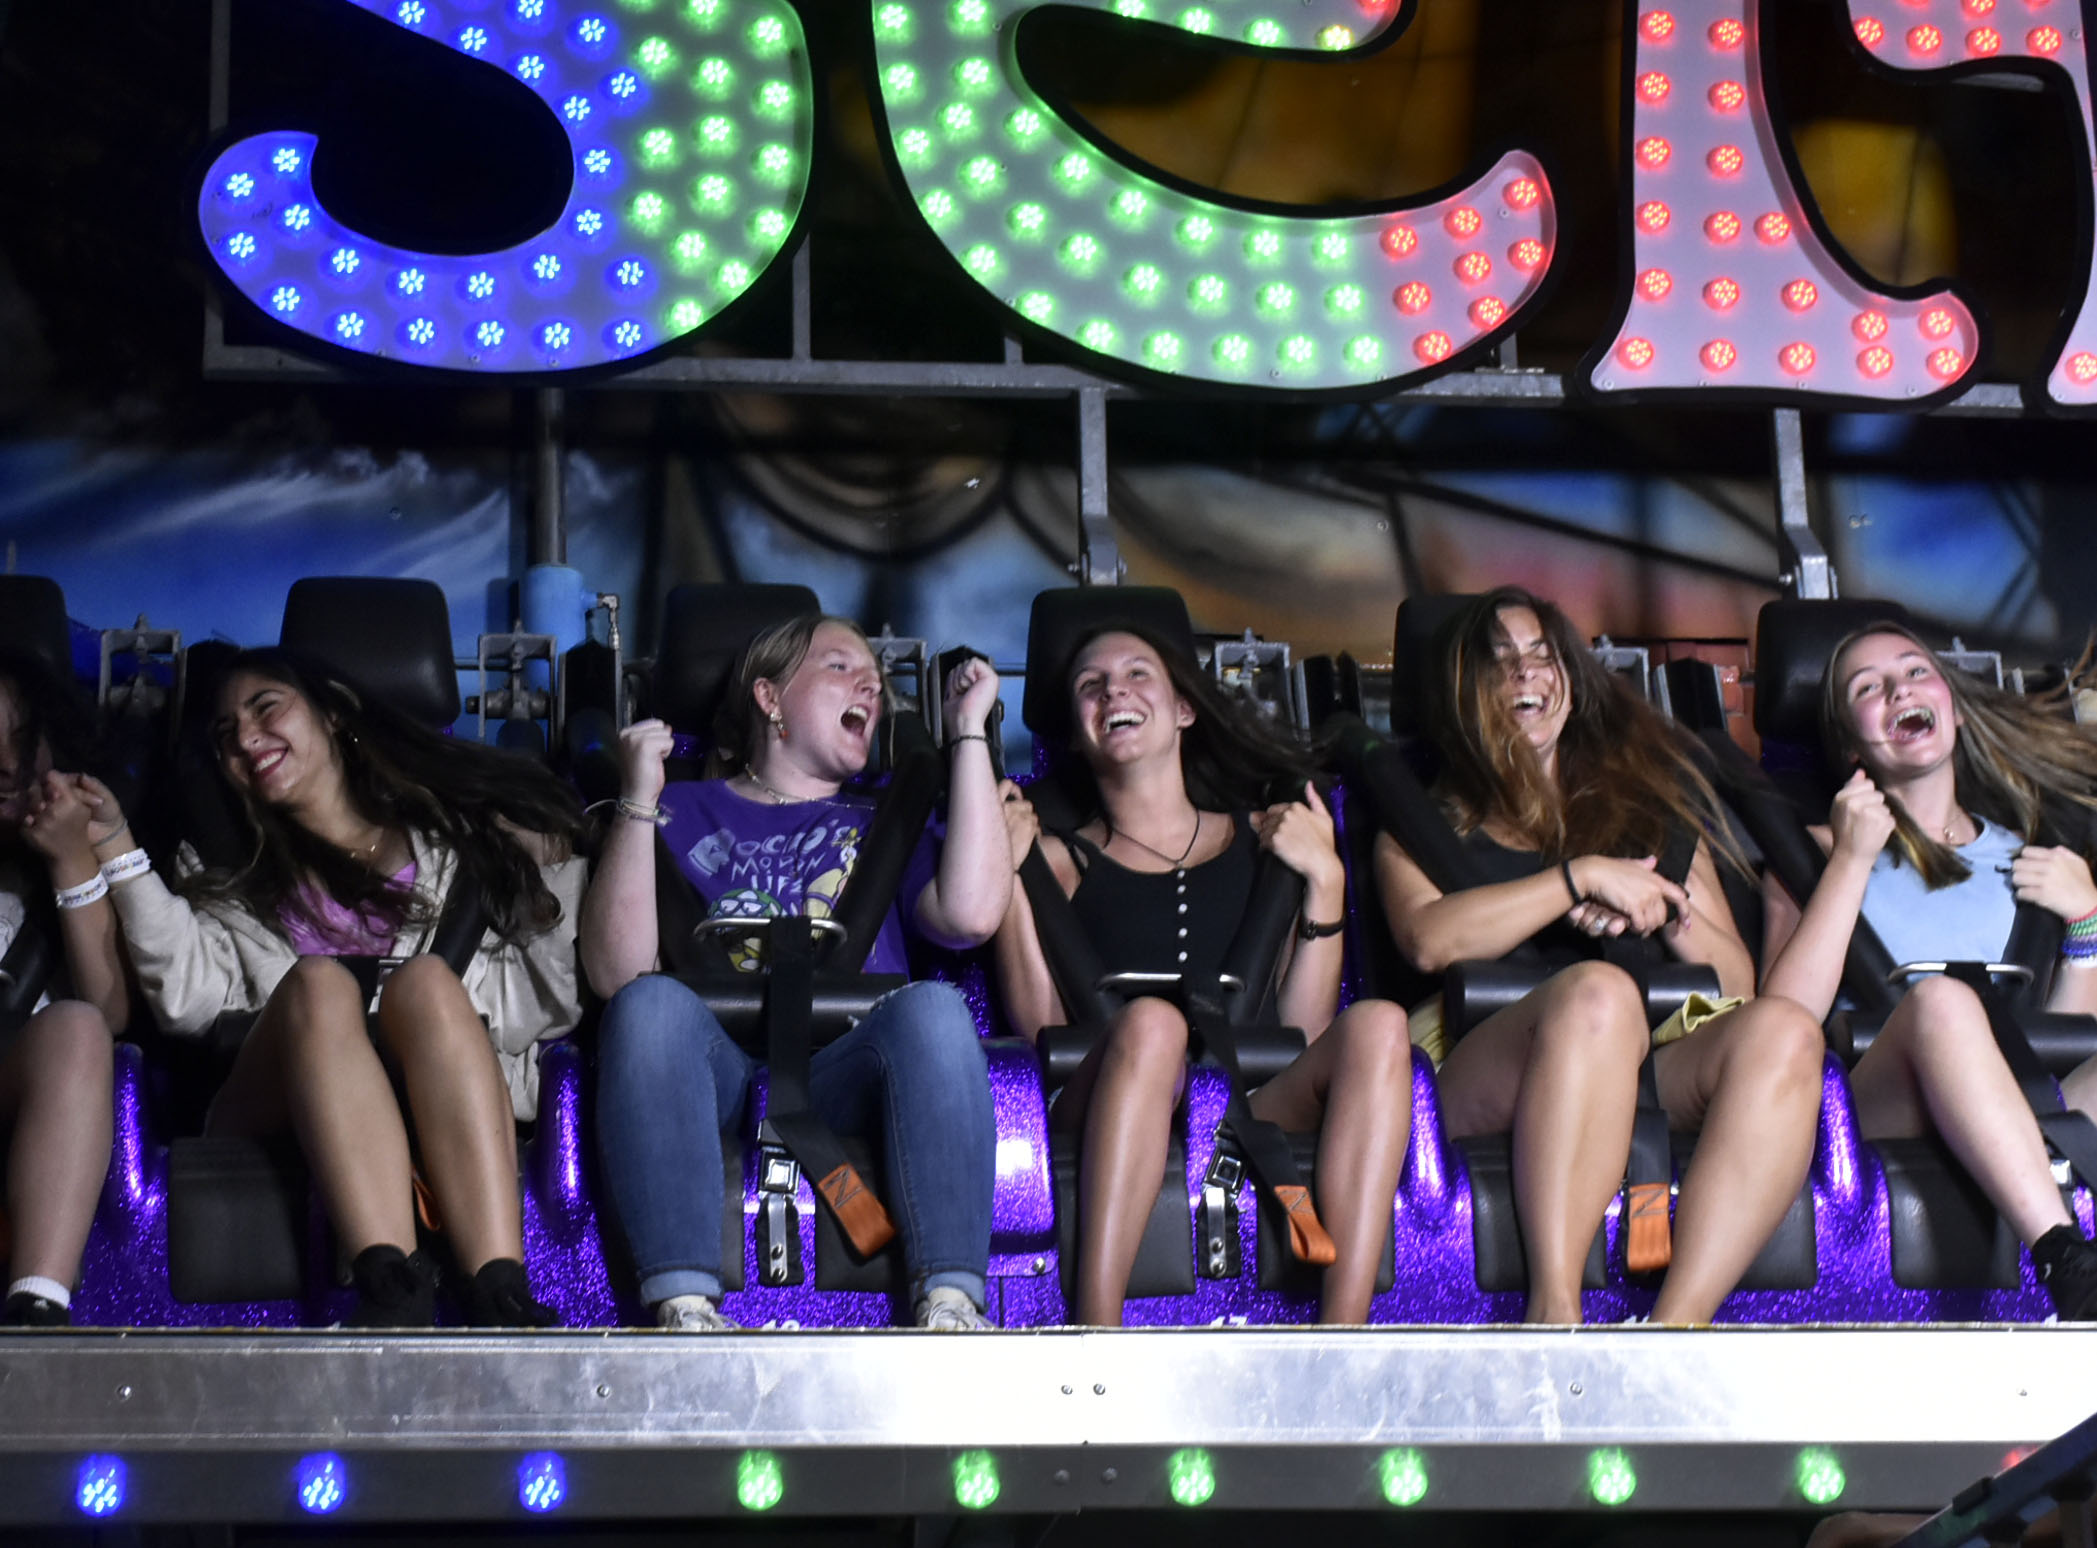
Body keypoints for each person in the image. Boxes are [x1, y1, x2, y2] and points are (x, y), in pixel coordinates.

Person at [1374, 587, 1825, 1324]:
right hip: (1479, 1059)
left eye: (1539, 656)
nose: (1524, 675)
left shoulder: (1646, 813)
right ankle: (1555, 1312)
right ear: (1461, 694)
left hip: (1642, 1052)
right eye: (1498, 663)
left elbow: (1734, 979)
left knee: (1784, 1030)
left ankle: (1677, 1326)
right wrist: (1576, 879)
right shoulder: (1421, 823)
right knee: (1594, 994)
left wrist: (1658, 905)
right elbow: (1430, 940)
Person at [99, 648, 586, 1327]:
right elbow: (189, 1004)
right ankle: (390, 1285)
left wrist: (536, 871)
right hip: (276, 1101)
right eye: (225, 734)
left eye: (266, 708)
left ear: (331, 717)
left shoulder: (463, 845)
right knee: (321, 985)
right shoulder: (227, 869)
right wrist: (118, 854)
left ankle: (499, 1289)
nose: (245, 737)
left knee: (425, 983)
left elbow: (545, 1007)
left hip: (449, 1085)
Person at [584, 616, 1010, 1332]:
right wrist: (637, 798)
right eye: (842, 667)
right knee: (650, 1005)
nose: (870, 685)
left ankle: (951, 1305)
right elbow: (616, 973)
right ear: (769, 697)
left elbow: (969, 916)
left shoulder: (883, 816)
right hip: (711, 1069)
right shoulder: (677, 807)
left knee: (935, 1009)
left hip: (845, 1065)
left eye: (876, 676)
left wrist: (967, 732)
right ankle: (685, 1308)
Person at [994, 625, 1413, 1327]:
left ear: (1183, 708)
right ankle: (1095, 1328)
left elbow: (1301, 1033)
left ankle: (1345, 1333)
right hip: (1109, 1097)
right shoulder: (1056, 862)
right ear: (1075, 729)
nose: (1113, 693)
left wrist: (1327, 879)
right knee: (1154, 1024)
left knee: (1379, 1023)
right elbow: (1039, 1030)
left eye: (1136, 674)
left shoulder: (1267, 839)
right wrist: (1008, 882)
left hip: (1247, 1099)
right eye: (1089, 686)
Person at [1760, 621, 2097, 1315]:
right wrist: (1851, 860)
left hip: (2021, 1104)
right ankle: (2066, 1259)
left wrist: (2085, 922)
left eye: (1914, 672)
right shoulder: (1812, 852)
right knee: (1941, 1002)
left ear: (1947, 700)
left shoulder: (2036, 858)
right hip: (1874, 1105)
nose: (1897, 690)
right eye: (1867, 687)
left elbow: (2060, 1046)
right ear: (1850, 743)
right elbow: (1780, 1025)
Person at [0, 651, 127, 1326]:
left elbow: (110, 1012)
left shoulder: (80, 850)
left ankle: (37, 1306)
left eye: (17, 739)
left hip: (21, 1075)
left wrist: (70, 858)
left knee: (78, 1028)